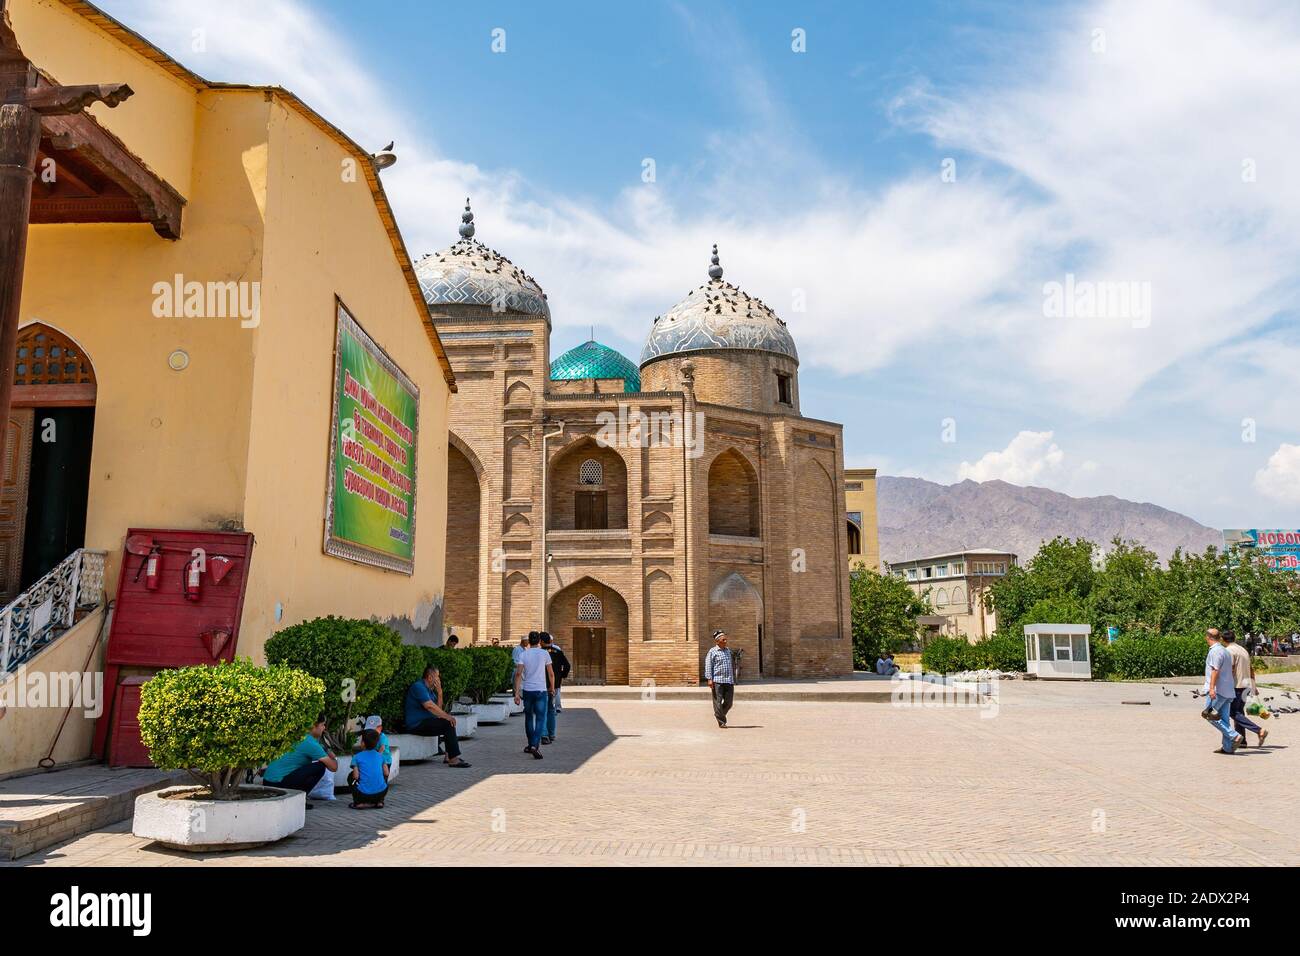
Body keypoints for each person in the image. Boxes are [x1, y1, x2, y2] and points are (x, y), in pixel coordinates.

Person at [404, 666, 471, 768]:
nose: (439, 680)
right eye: (437, 677)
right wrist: (447, 717)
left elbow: (438, 710)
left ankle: (449, 756)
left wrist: (440, 693)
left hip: (426, 722)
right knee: (447, 723)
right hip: (416, 724)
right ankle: (453, 759)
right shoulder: (418, 687)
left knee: (447, 722)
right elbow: (429, 706)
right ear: (430, 677)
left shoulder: (430, 691)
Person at [264, 715, 338, 795]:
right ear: (313, 726)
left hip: (268, 782)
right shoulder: (309, 742)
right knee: (320, 767)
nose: (324, 728)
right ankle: (301, 798)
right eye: (322, 725)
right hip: (278, 784)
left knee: (308, 766)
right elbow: (333, 767)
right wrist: (333, 757)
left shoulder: (298, 736)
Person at [1223, 630, 1267, 747]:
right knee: (1239, 712)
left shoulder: (1229, 651)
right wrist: (1254, 685)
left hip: (1237, 686)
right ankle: (1242, 741)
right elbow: (1251, 669)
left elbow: (1231, 669)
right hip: (1246, 685)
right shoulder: (1243, 650)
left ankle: (1259, 730)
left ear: (1223, 640)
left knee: (1233, 712)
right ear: (1235, 638)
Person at [514, 631, 554, 758]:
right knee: (541, 718)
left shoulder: (524, 654)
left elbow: (518, 674)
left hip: (528, 690)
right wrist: (552, 688)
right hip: (541, 690)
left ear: (529, 641)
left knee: (529, 717)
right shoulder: (545, 654)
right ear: (539, 641)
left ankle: (531, 743)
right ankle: (534, 745)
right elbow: (551, 673)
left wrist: (516, 693)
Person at [1203, 628, 1243, 755]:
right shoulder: (1225, 651)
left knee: (1209, 715)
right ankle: (1228, 747)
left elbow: (1215, 670)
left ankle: (1234, 736)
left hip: (1217, 690)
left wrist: (1211, 688)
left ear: (1208, 637)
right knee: (1224, 719)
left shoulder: (1215, 652)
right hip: (1227, 690)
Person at [347, 728, 389, 809]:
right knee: (383, 776)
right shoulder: (381, 756)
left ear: (363, 743)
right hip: (382, 792)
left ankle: (359, 802)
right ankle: (379, 801)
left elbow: (355, 776)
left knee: (350, 776)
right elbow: (386, 773)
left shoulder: (357, 757)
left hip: (363, 794)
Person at [541, 632, 570, 744]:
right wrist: (562, 675)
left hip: (543, 685)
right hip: (555, 685)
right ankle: (551, 734)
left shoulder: (540, 653)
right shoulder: (558, 652)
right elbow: (567, 665)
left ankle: (544, 734)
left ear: (541, 641)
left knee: (543, 710)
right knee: (551, 709)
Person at [705, 630, 735, 728]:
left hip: (729, 680)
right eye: (723, 639)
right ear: (717, 641)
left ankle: (718, 714)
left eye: (726, 639)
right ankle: (721, 721)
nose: (726, 641)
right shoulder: (712, 652)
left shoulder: (728, 651)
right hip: (717, 681)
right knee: (717, 702)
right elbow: (709, 665)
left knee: (729, 702)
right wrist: (709, 679)